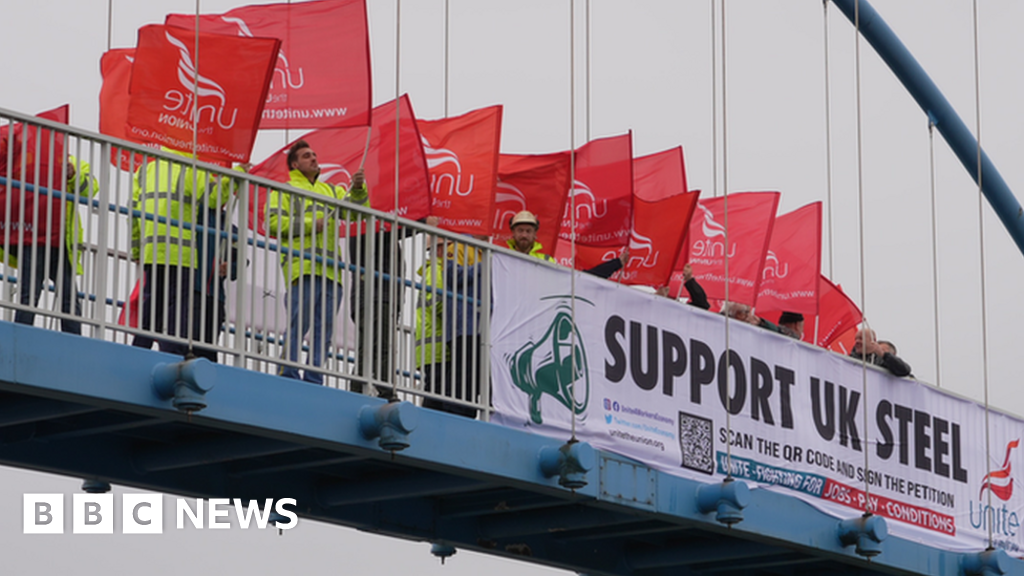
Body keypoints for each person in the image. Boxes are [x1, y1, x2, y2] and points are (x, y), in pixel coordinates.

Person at [266, 140, 367, 385]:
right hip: (303, 267)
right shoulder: (285, 190)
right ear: (295, 164)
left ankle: (314, 376)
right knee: (299, 322)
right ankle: (287, 370)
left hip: (332, 271)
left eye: (314, 154)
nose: (313, 158)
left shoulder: (331, 191)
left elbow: (357, 213)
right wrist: (313, 224)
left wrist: (358, 189)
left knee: (325, 330)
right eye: (306, 156)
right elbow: (273, 224)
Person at [132, 149, 232, 357]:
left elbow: (132, 212)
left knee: (153, 301)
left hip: (152, 248)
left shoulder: (145, 170)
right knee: (178, 306)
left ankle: (139, 349)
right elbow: (213, 199)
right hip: (180, 251)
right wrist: (236, 176)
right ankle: (173, 352)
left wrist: (136, 249)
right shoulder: (191, 169)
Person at [6, 155, 96, 334]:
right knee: (29, 294)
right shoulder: (28, 158)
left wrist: (73, 176)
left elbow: (91, 189)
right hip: (34, 235)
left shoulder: (75, 162)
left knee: (68, 296)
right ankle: (20, 336)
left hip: (61, 241)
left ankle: (72, 342)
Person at [506, 210, 628, 278]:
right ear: (513, 232)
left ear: (535, 234)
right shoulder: (501, 257)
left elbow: (577, 279)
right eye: (520, 230)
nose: (524, 235)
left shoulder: (546, 261)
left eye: (528, 231)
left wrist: (615, 264)